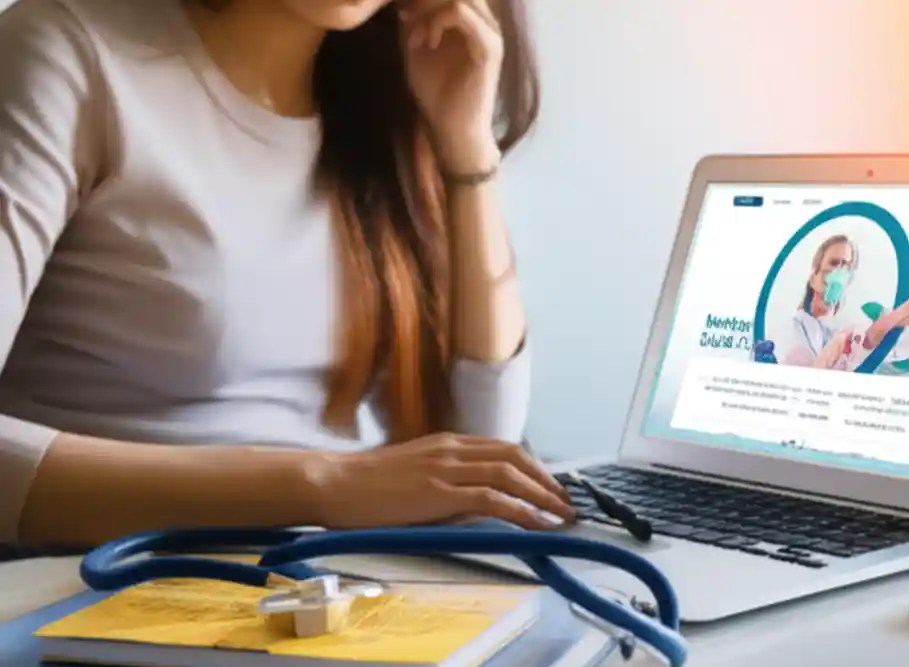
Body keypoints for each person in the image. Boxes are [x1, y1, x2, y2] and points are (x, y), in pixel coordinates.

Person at [0, 0, 578, 551]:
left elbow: (483, 455)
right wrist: (320, 486)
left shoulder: (383, 98)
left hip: (332, 582)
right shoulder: (67, 52)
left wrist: (466, 151)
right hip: (96, 584)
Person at [781, 234, 909, 370]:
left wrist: (894, 319)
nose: (839, 271)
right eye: (833, 263)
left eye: (846, 266)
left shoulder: (842, 325)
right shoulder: (795, 325)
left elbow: (865, 345)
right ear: (814, 276)